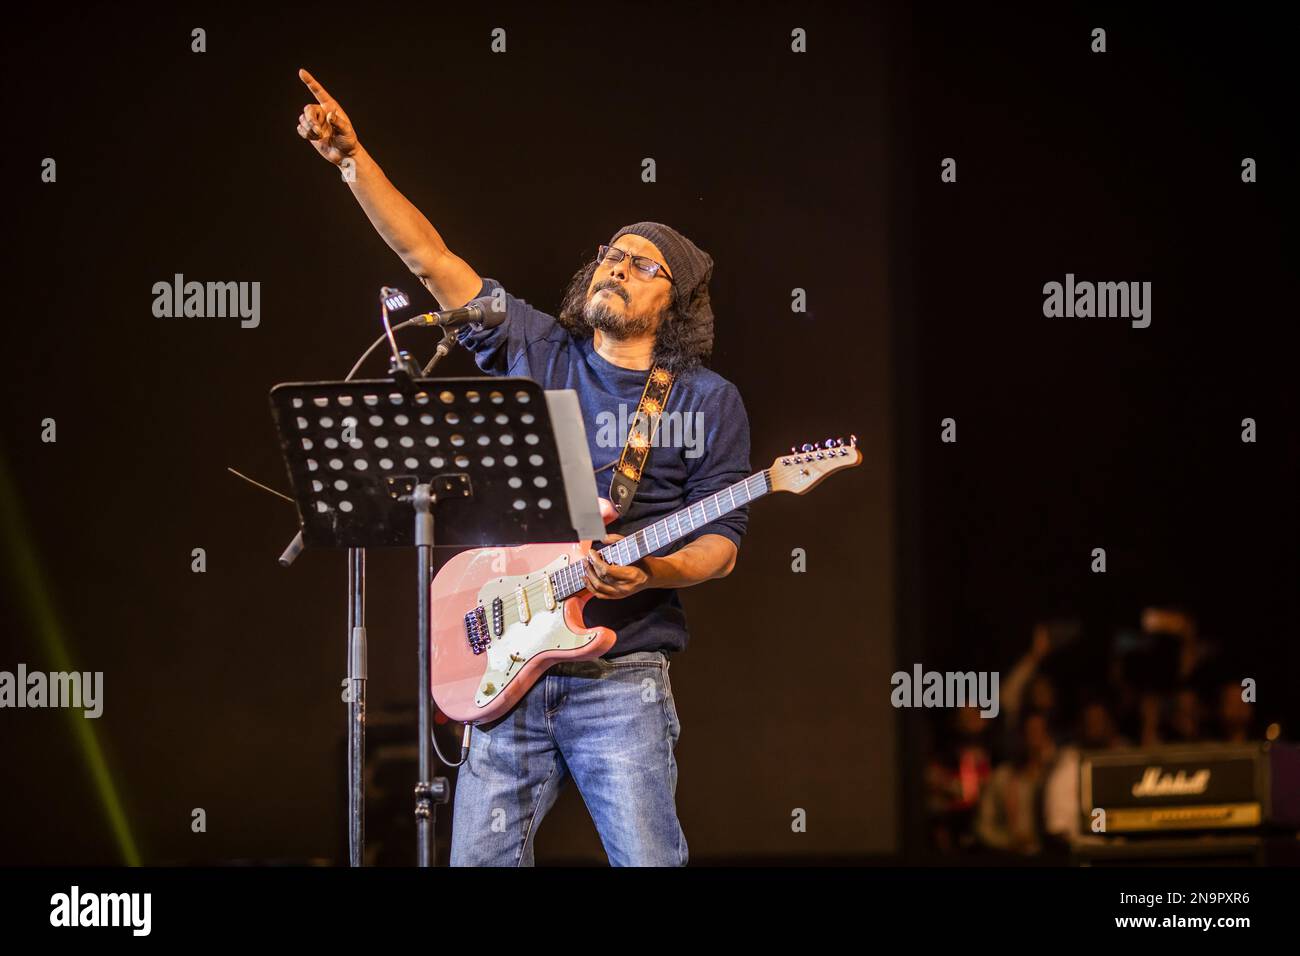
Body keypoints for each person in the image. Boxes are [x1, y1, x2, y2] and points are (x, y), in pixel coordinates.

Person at [295, 69, 752, 866]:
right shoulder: (538, 346)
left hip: (622, 672)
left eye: (645, 265)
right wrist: (351, 159)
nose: (618, 265)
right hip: (506, 669)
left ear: (678, 302)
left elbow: (724, 545)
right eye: (614, 253)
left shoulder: (708, 400)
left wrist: (650, 573)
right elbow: (429, 258)